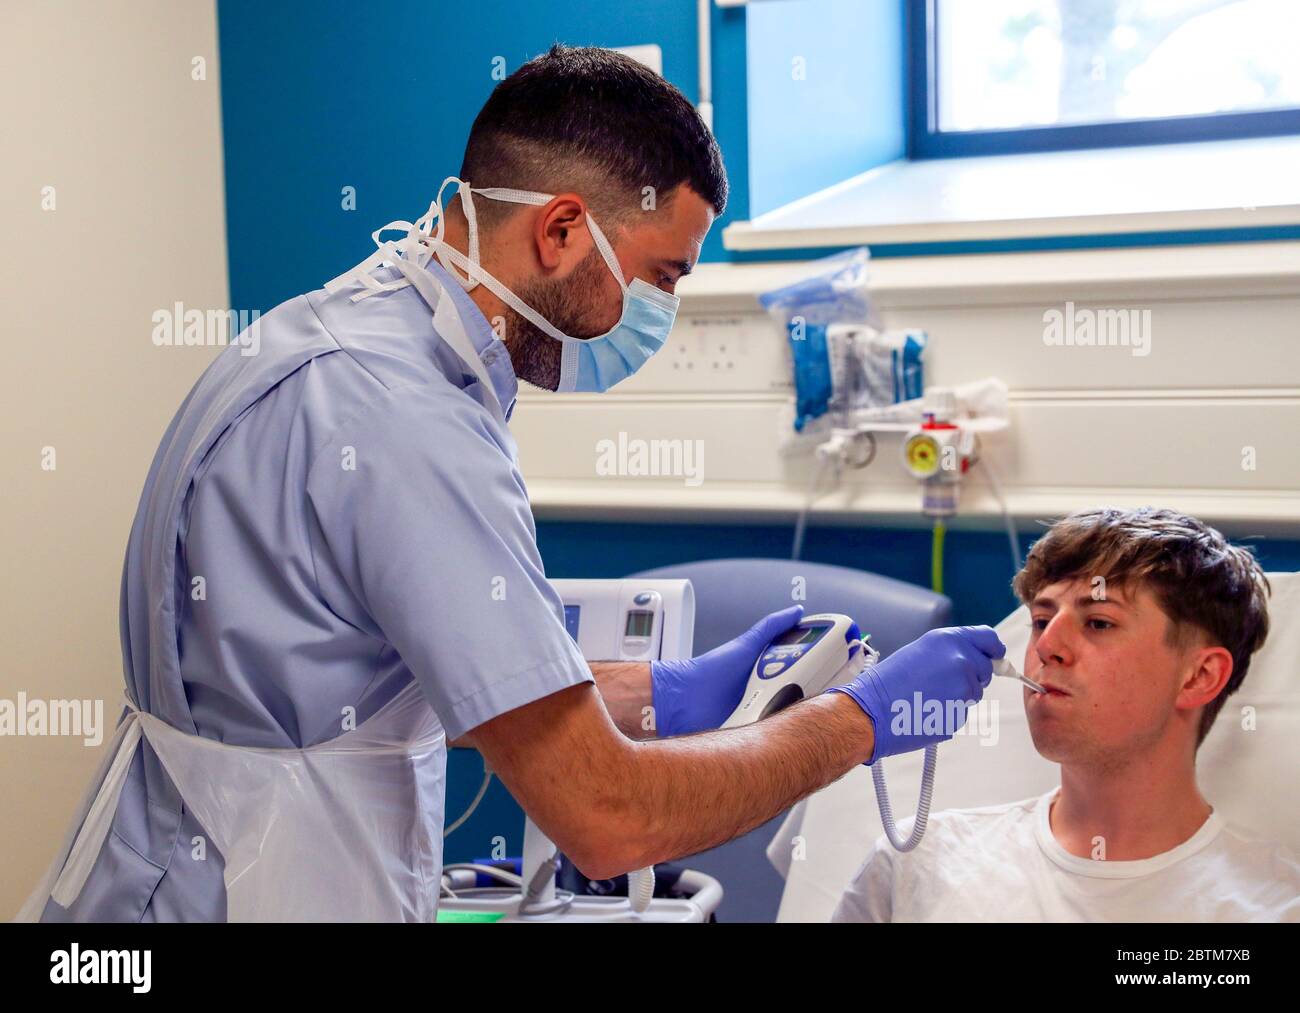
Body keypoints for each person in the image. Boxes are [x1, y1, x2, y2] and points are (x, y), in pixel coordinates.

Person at [25, 44, 1002, 922]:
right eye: (662, 277)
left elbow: (353, 681)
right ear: (563, 231)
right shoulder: (408, 419)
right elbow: (607, 817)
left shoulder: (338, 333)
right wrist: (858, 723)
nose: (660, 313)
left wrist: (671, 691)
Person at [833, 507, 1300, 923]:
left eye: (1098, 622)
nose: (1046, 647)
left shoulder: (1274, 906)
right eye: (1040, 621)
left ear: (1199, 676)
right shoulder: (919, 865)